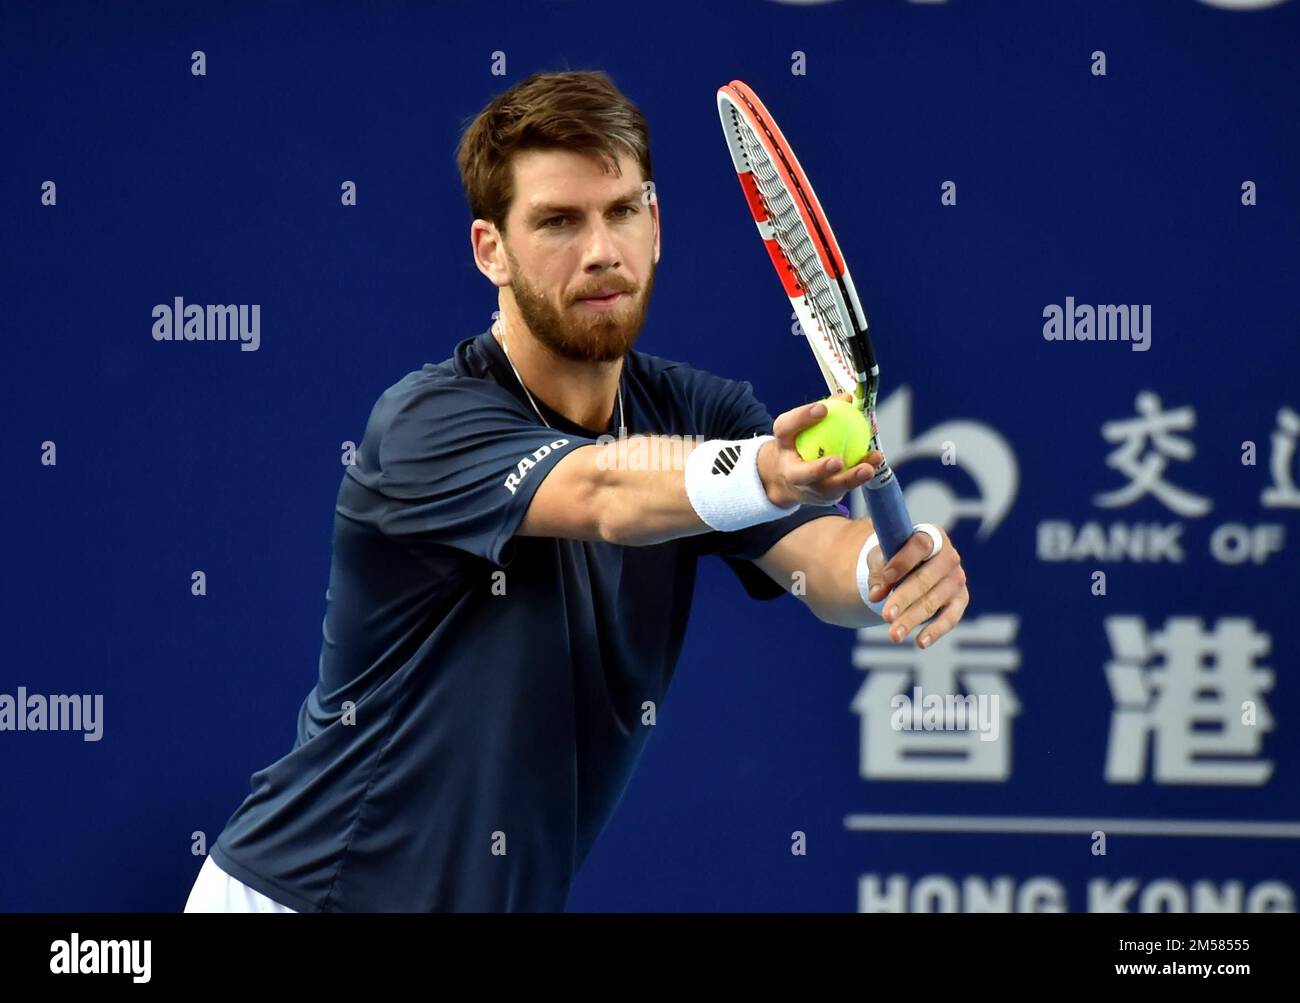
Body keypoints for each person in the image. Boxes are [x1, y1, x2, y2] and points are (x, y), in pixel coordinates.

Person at [184, 69, 968, 913]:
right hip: (308, 898)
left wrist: (893, 566)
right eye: (559, 221)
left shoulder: (701, 410)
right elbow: (606, 497)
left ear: (656, 223)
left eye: (623, 210)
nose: (602, 250)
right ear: (491, 249)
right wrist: (770, 471)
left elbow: (820, 561)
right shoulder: (425, 423)